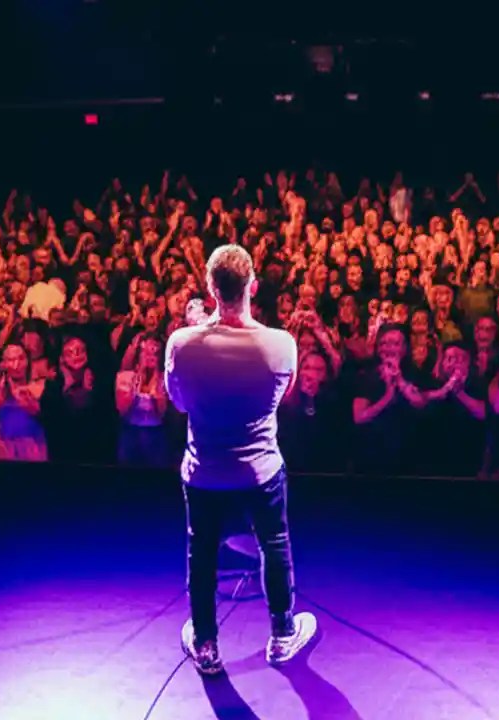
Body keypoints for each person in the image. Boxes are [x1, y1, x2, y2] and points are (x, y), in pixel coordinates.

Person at [164, 243, 317, 675]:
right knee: (274, 543)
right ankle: (283, 634)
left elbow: (178, 403)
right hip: (260, 468)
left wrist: (201, 340)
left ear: (211, 287)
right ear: (252, 285)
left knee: (203, 551)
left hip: (205, 469)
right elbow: (281, 398)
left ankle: (207, 645)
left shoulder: (181, 343)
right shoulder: (281, 344)